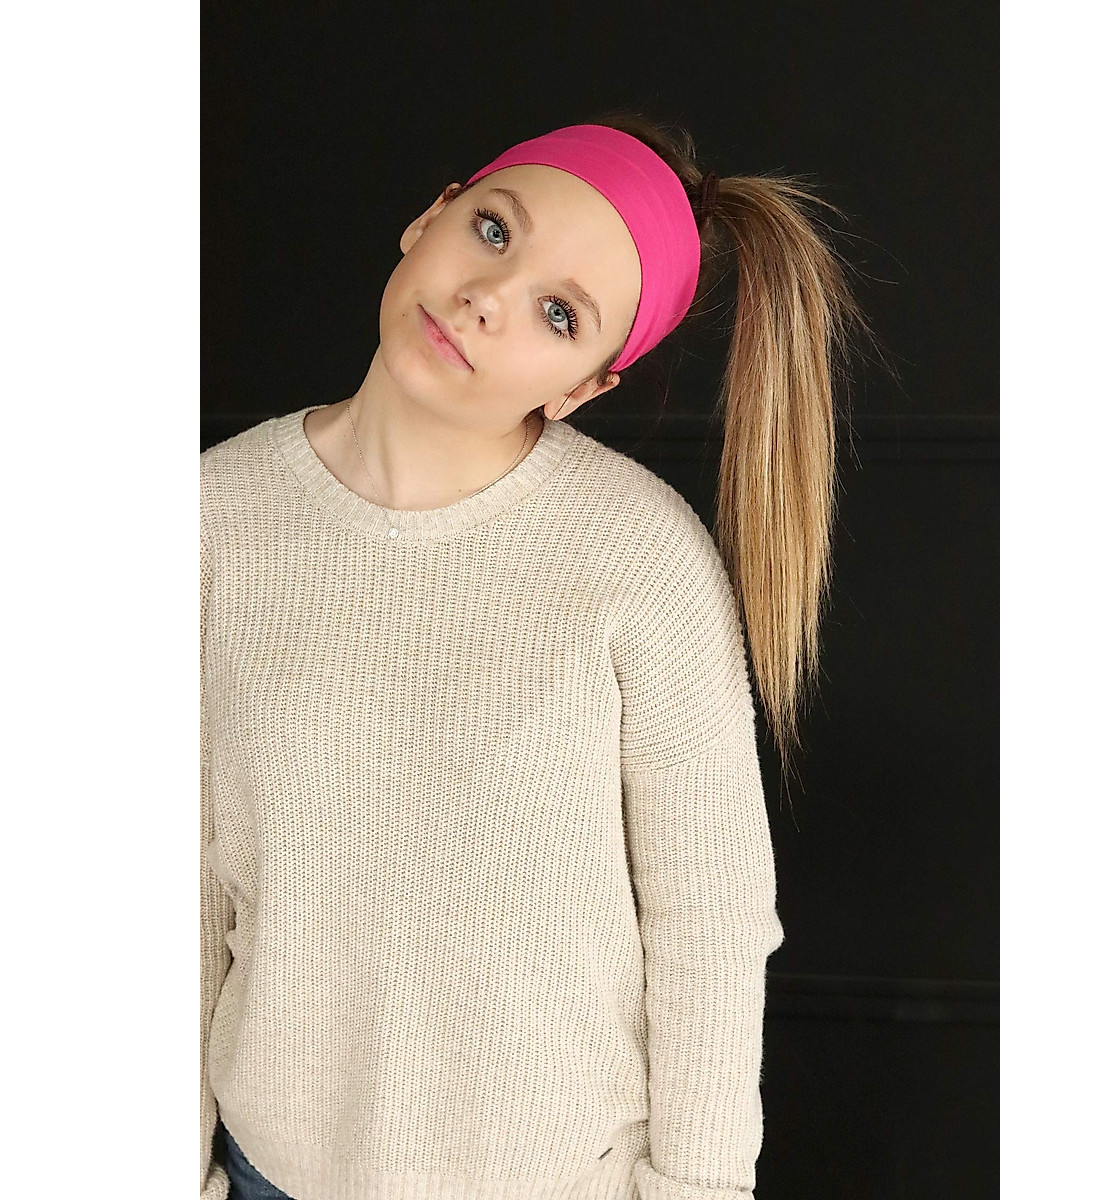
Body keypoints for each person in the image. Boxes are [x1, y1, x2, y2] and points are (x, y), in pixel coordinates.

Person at [201, 113, 870, 1200]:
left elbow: (709, 920)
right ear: (430, 216)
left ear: (582, 389)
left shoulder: (640, 559)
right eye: (493, 230)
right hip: (274, 1170)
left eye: (560, 314)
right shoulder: (206, 526)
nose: (486, 297)